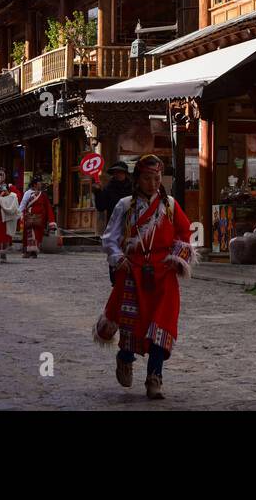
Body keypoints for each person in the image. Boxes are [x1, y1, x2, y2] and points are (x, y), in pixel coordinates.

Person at [95, 154, 194, 400]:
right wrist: (119, 258)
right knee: (132, 325)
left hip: (163, 274)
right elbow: (110, 237)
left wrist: (177, 259)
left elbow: (184, 233)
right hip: (134, 271)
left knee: (162, 325)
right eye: (147, 178)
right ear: (137, 179)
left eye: (157, 178)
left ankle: (154, 377)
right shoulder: (125, 205)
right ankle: (125, 358)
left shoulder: (169, 205)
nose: (153, 183)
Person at [19, 176, 56, 258]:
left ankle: (34, 251)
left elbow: (48, 207)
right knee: (30, 234)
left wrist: (51, 221)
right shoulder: (28, 193)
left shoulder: (43, 195)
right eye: (39, 183)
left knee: (37, 235)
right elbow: (23, 205)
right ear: (35, 184)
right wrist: (19, 215)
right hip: (30, 217)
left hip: (39, 219)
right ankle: (29, 251)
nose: (41, 184)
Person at [92, 161, 133, 235]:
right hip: (114, 227)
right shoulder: (108, 189)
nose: (118, 174)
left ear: (125, 174)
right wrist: (98, 192)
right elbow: (101, 207)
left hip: (131, 225)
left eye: (120, 172)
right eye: (115, 172)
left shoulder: (133, 189)